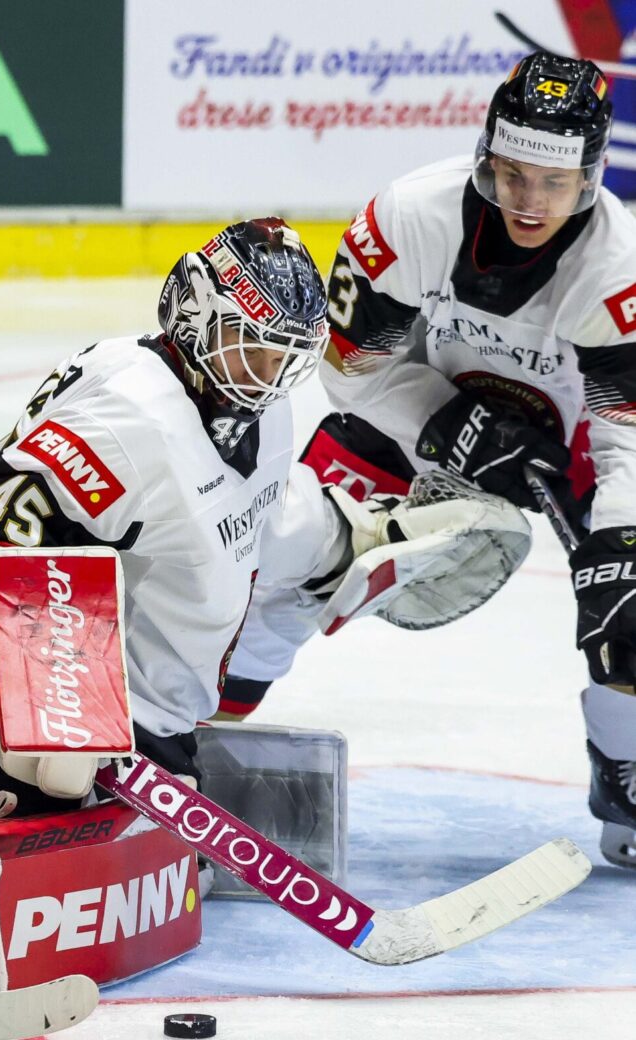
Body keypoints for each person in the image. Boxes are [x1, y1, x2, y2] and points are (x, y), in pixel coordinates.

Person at [0, 218, 517, 863]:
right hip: (25, 715)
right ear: (196, 317)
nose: (267, 378)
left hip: (146, 726)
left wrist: (351, 541)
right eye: (252, 351)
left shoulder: (249, 412)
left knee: (171, 861)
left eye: (282, 360)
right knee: (61, 825)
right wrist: (62, 708)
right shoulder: (132, 421)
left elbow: (262, 514)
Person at [226, 51, 636, 870]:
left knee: (631, 623)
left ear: (590, 177)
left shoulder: (618, 268)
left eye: (555, 184)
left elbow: (626, 438)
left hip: (576, 444)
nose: (530, 202)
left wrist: (618, 553)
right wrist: (448, 422)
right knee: (286, 566)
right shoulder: (410, 216)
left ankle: (624, 782)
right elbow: (349, 373)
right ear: (487, 151)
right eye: (514, 174)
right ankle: (186, 746)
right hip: (410, 406)